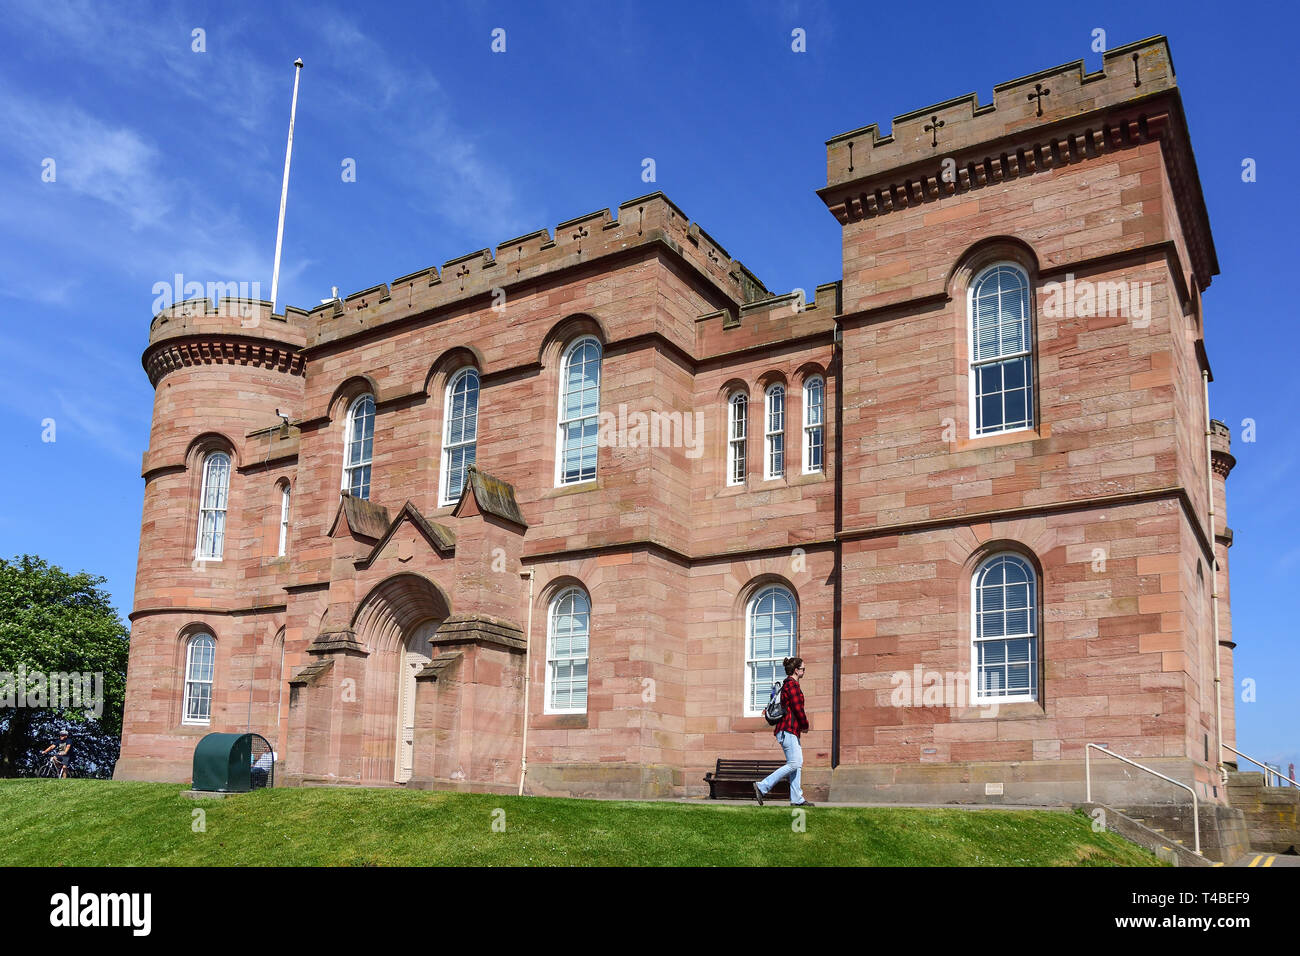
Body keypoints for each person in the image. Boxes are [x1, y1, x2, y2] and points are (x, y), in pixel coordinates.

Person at [753, 657, 813, 807]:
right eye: (803, 669)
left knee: (797, 764)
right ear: (796, 670)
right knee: (794, 763)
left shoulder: (789, 685)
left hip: (789, 731)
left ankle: (797, 799)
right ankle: (762, 786)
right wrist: (805, 725)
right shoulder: (792, 686)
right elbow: (798, 708)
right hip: (788, 730)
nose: (804, 671)